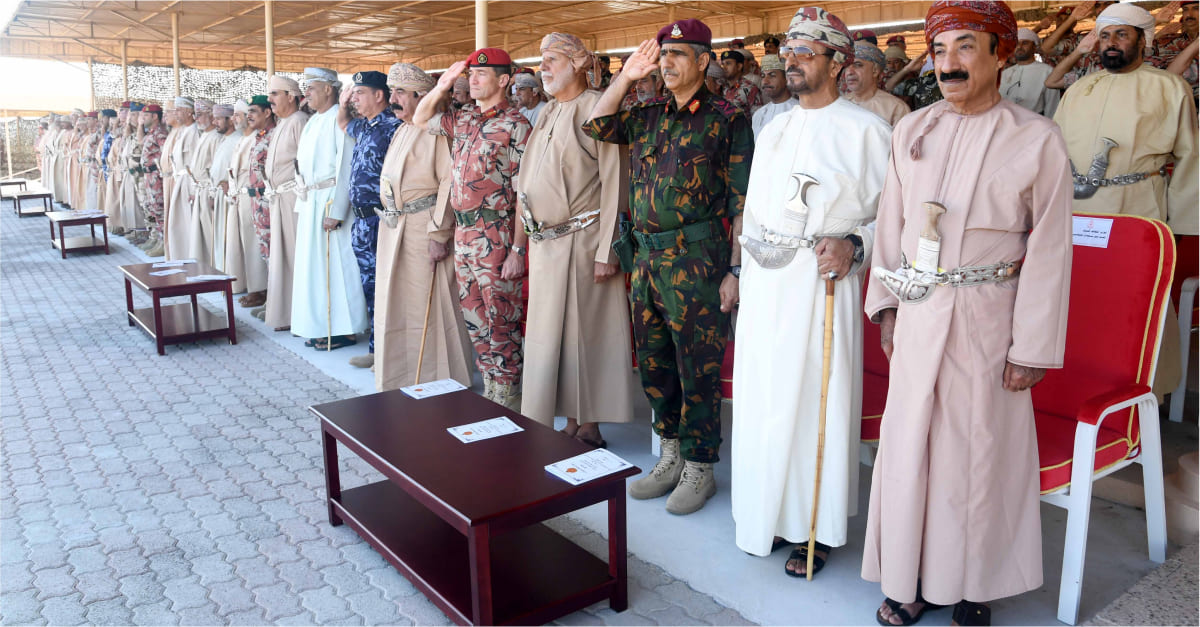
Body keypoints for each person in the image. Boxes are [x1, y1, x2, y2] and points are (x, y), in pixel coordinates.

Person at [862, 3, 1073, 625]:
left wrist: (1031, 346)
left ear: (1000, 53)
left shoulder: (1037, 138)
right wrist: (887, 308)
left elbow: (1051, 249)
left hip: (990, 318)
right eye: (939, 50)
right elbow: (890, 225)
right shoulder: (912, 129)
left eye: (965, 48)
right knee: (909, 447)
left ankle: (973, 583)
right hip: (920, 312)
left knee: (977, 454)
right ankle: (907, 578)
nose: (948, 63)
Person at [733, 6, 891, 576]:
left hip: (823, 284)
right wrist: (739, 271)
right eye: (788, 52)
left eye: (806, 52)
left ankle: (814, 529)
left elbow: (891, 220)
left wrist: (855, 242)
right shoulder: (773, 127)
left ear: (837, 60)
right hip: (767, 284)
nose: (791, 61)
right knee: (764, 403)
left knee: (815, 405)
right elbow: (753, 214)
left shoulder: (870, 131)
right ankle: (767, 515)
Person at [585, 18, 752, 515]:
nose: (667, 62)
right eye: (663, 54)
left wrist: (735, 270)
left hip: (699, 260)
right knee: (655, 361)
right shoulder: (648, 110)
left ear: (703, 61)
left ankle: (701, 466)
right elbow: (595, 124)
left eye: (678, 54)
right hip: (647, 257)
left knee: (696, 366)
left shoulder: (727, 117)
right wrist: (626, 78)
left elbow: (743, 201)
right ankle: (671, 453)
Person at [1054, 1, 1199, 402]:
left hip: (1139, 208)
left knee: (1135, 301)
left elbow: (1190, 157)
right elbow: (1053, 155)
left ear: (1143, 40)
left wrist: (1182, 225)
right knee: (1080, 300)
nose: (1111, 43)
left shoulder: (1170, 87)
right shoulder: (1081, 88)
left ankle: (1145, 394)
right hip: (1078, 210)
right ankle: (1077, 389)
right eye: (1105, 35)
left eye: (1122, 34)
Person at [517, 32, 636, 448]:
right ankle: (570, 418)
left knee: (587, 335)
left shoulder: (597, 107)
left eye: (552, 59)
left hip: (584, 244)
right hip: (547, 244)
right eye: (541, 59)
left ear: (579, 63)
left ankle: (589, 425)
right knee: (557, 339)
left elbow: (614, 183)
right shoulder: (549, 110)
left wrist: (607, 250)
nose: (543, 67)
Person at [413, 47, 533, 410]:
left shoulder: (516, 125)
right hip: (465, 236)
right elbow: (420, 118)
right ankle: (492, 389)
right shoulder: (464, 118)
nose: (474, 80)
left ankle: (510, 396)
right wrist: (445, 83)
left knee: (501, 321)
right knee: (475, 319)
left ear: (504, 80)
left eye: (482, 74)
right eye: (471, 74)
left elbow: (524, 194)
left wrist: (517, 250)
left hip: (496, 235)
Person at [375, 62, 472, 391]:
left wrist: (438, 233)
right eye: (392, 92)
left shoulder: (436, 130)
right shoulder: (402, 128)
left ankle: (442, 379)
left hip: (424, 229)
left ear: (422, 96)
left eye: (400, 92)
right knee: (399, 305)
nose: (393, 99)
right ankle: (402, 375)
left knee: (430, 308)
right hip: (395, 227)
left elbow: (448, 183)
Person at [291, 67, 369, 351]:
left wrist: (337, 209)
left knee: (336, 268)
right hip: (312, 201)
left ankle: (344, 329)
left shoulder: (340, 118)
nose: (306, 93)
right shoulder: (313, 121)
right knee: (316, 269)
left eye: (311, 87)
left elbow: (346, 165)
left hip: (330, 202)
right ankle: (322, 325)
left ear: (328, 88)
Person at [335, 70, 402, 367]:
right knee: (369, 286)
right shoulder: (364, 126)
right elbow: (343, 124)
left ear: (379, 95)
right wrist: (341, 103)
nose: (354, 98)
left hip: (381, 220)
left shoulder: (393, 127)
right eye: (354, 93)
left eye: (360, 93)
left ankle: (388, 352)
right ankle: (378, 351)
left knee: (386, 287)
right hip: (361, 222)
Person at [263, 76, 310, 331]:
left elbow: (305, 164)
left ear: (291, 96)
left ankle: (296, 314)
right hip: (279, 198)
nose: (270, 100)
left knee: (294, 257)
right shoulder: (284, 123)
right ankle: (281, 312)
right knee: (281, 257)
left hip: (293, 198)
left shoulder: (299, 121)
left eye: (275, 94)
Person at [228, 97, 272, 301]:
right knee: (249, 245)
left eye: (246, 113)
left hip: (260, 198)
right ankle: (254, 288)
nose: (237, 118)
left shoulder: (265, 136)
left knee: (258, 246)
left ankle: (262, 290)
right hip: (243, 196)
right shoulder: (248, 138)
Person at [246, 95, 278, 317]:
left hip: (268, 201)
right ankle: (271, 300)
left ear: (267, 113)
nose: (249, 116)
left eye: (254, 111)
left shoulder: (275, 135)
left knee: (274, 252)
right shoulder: (259, 136)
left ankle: (277, 303)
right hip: (256, 201)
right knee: (265, 252)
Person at [180, 98, 222, 264]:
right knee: (200, 233)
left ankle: (215, 265)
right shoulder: (204, 135)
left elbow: (215, 169)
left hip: (208, 192)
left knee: (211, 233)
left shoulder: (216, 138)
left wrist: (212, 194)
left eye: (200, 115)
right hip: (199, 190)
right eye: (196, 115)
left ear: (211, 115)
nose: (196, 119)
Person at [205, 104, 242, 273]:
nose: (215, 122)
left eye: (219, 119)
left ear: (231, 120)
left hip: (230, 194)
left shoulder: (238, 139)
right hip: (220, 194)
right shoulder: (225, 139)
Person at [164, 96, 200, 260]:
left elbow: (196, 163)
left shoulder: (194, 131)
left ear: (188, 112)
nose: (176, 113)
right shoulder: (183, 131)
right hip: (179, 181)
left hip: (188, 184)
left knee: (187, 224)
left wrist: (193, 188)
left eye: (179, 110)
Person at [844, 41, 911, 125]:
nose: (849, 72)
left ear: (875, 71)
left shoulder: (896, 108)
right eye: (846, 66)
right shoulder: (840, 105)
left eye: (857, 65)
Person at [1000, 28, 1058, 116]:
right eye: (1017, 44)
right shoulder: (1005, 73)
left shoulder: (1047, 71)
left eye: (1025, 43)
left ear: (1035, 47)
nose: (1019, 47)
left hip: (1036, 124)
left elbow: (1052, 107)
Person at [138, 104, 170, 258]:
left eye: (146, 116)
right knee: (153, 210)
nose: (142, 119)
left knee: (160, 210)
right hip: (149, 177)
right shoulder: (151, 133)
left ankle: (164, 243)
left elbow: (165, 156)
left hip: (157, 177)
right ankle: (157, 239)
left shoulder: (160, 134)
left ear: (155, 116)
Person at [751, 54, 797, 138]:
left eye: (772, 75)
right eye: (762, 76)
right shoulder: (759, 114)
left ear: (787, 79)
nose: (765, 81)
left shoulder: (800, 112)